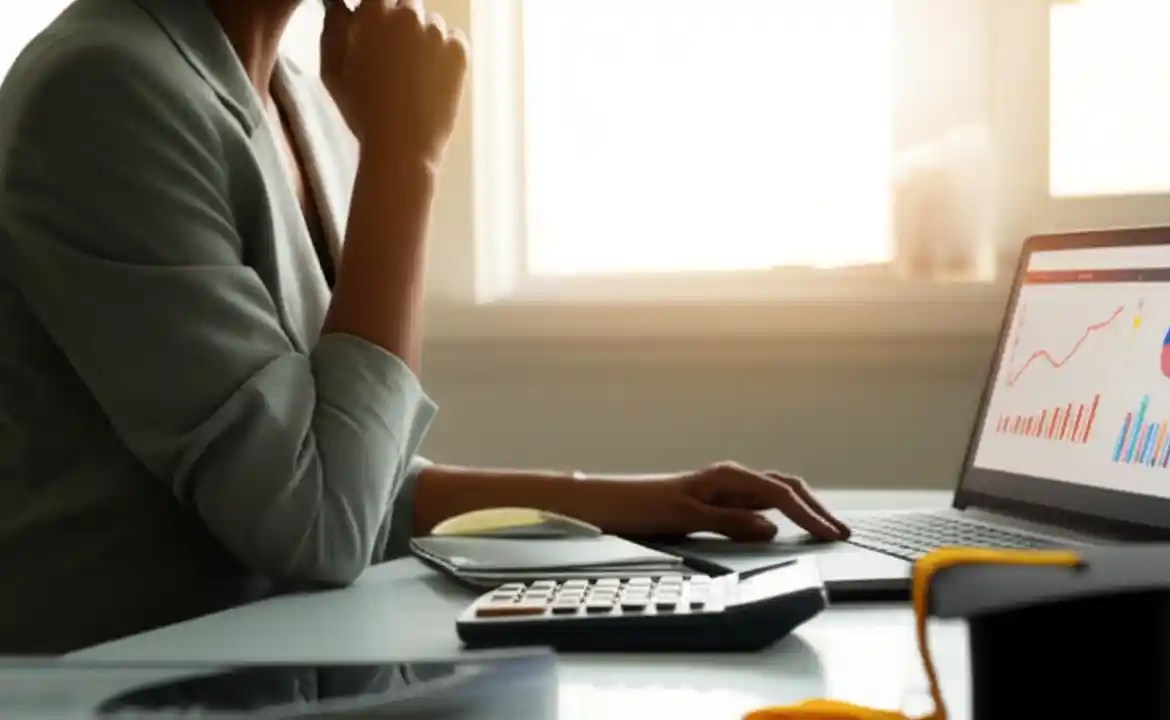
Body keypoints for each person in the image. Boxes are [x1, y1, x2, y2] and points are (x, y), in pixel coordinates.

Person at [0, 0, 849, 653]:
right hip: (112, 684)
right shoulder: (106, 90)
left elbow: (350, 481)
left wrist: (644, 505)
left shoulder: (290, 90)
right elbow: (320, 522)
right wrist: (407, 158)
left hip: (255, 661)